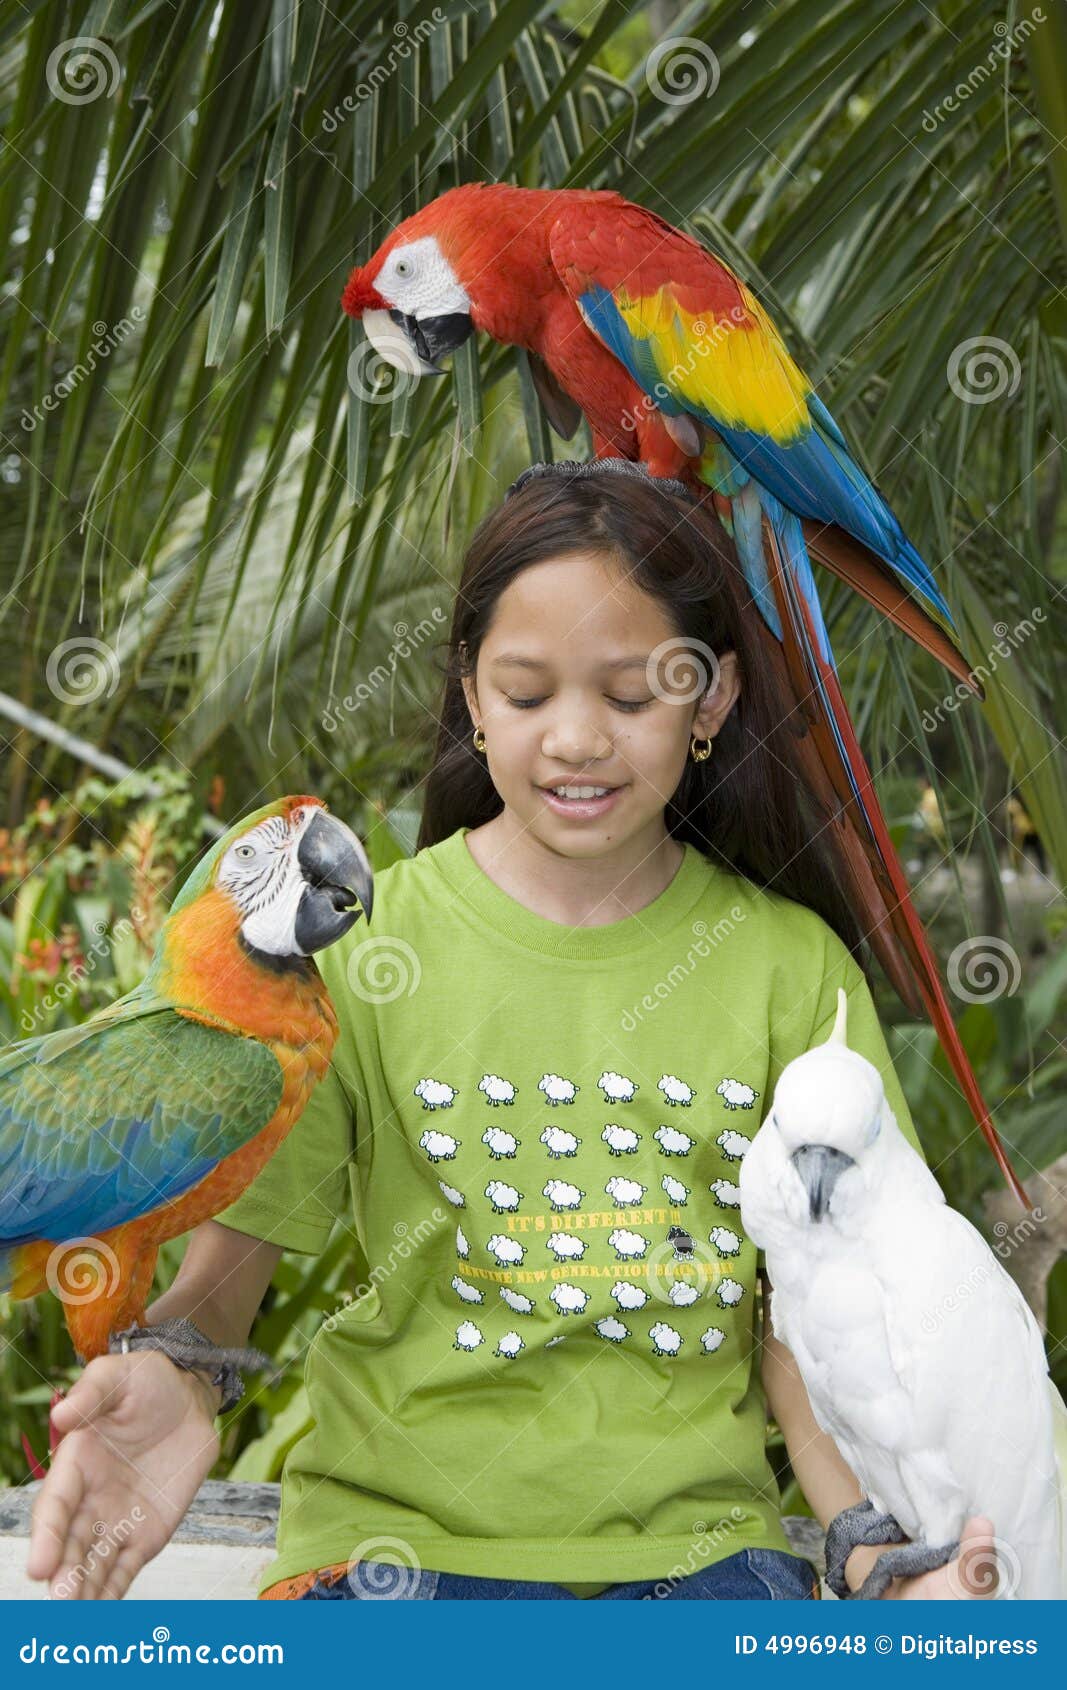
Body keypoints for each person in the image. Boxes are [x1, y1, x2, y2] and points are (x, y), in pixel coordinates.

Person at [26, 461, 997, 1602]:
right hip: (390, 1561)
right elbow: (228, 1265)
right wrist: (177, 1379)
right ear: (471, 699)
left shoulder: (792, 972)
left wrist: (865, 1538)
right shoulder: (350, 965)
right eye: (528, 695)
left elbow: (809, 1319)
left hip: (698, 1568)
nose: (575, 739)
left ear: (712, 698)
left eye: (630, 696)